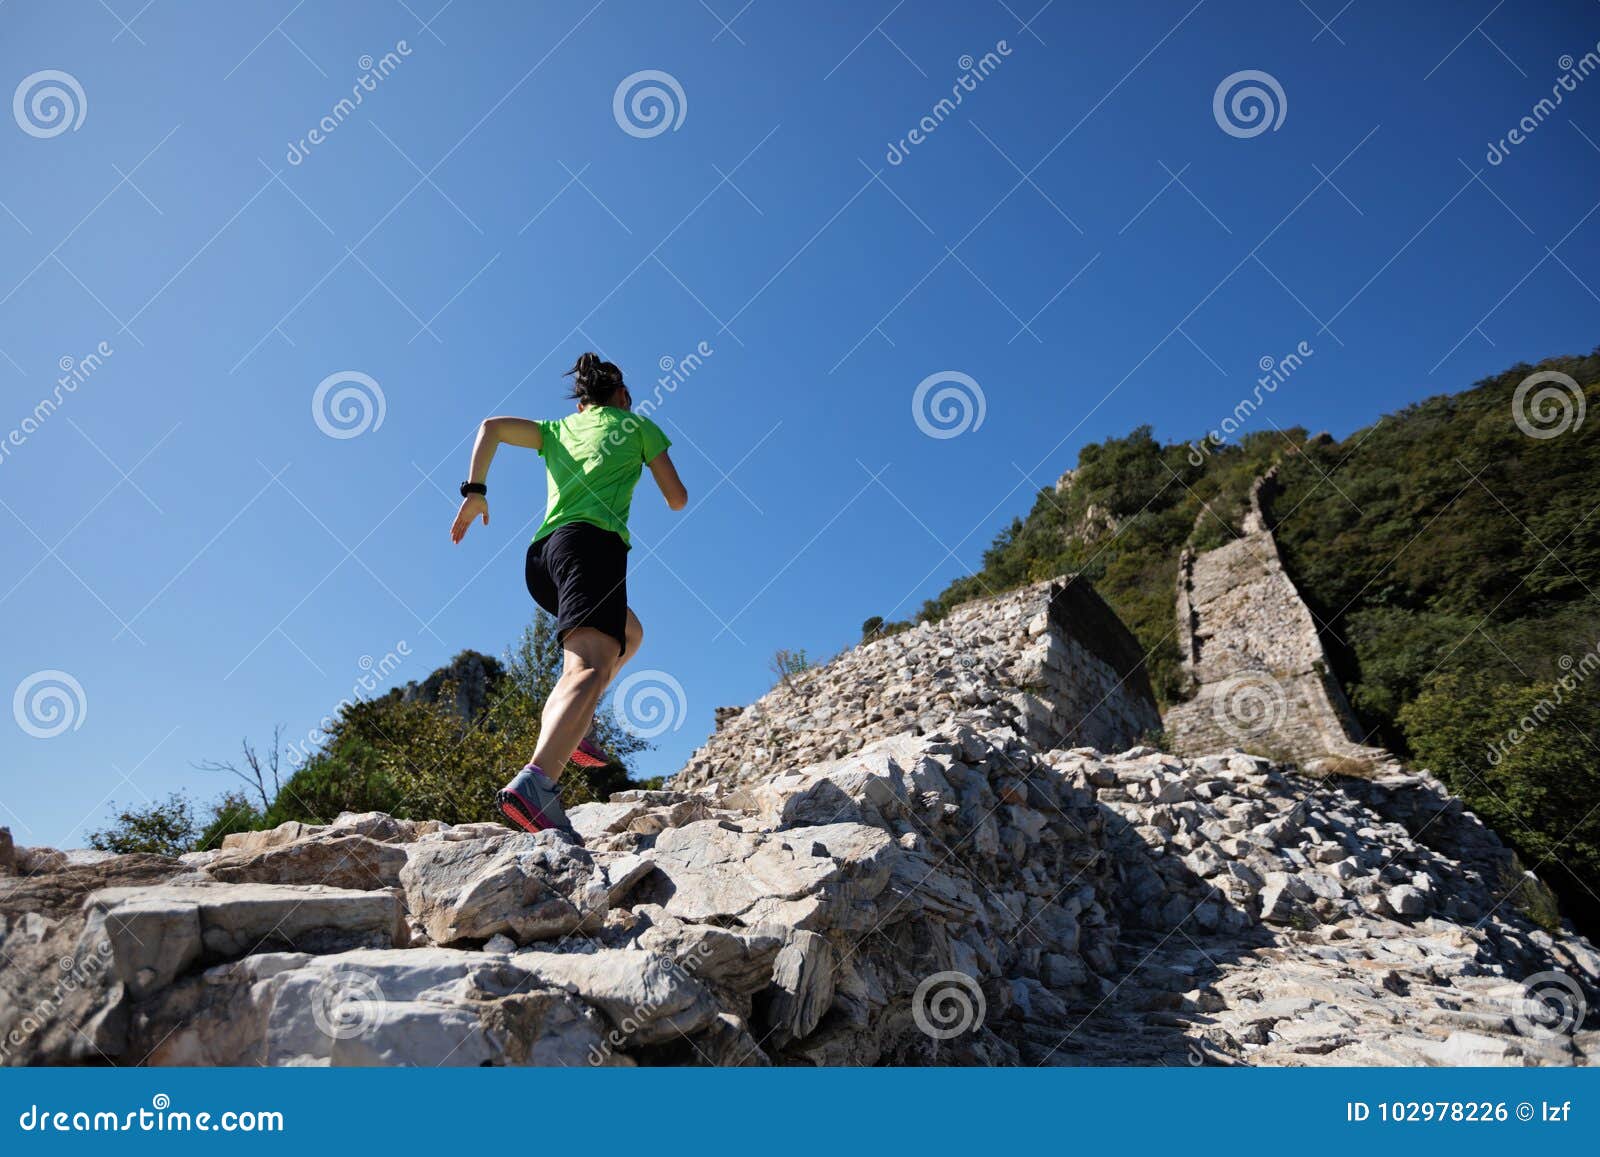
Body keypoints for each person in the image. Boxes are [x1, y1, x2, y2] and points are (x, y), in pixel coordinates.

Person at [450, 352, 687, 833]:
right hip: (592, 548)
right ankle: (538, 784)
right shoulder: (638, 426)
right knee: (592, 665)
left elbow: (491, 426)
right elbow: (676, 497)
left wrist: (475, 492)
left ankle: (579, 724)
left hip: (544, 558)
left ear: (581, 405)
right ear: (622, 396)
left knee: (628, 634)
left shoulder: (557, 430)